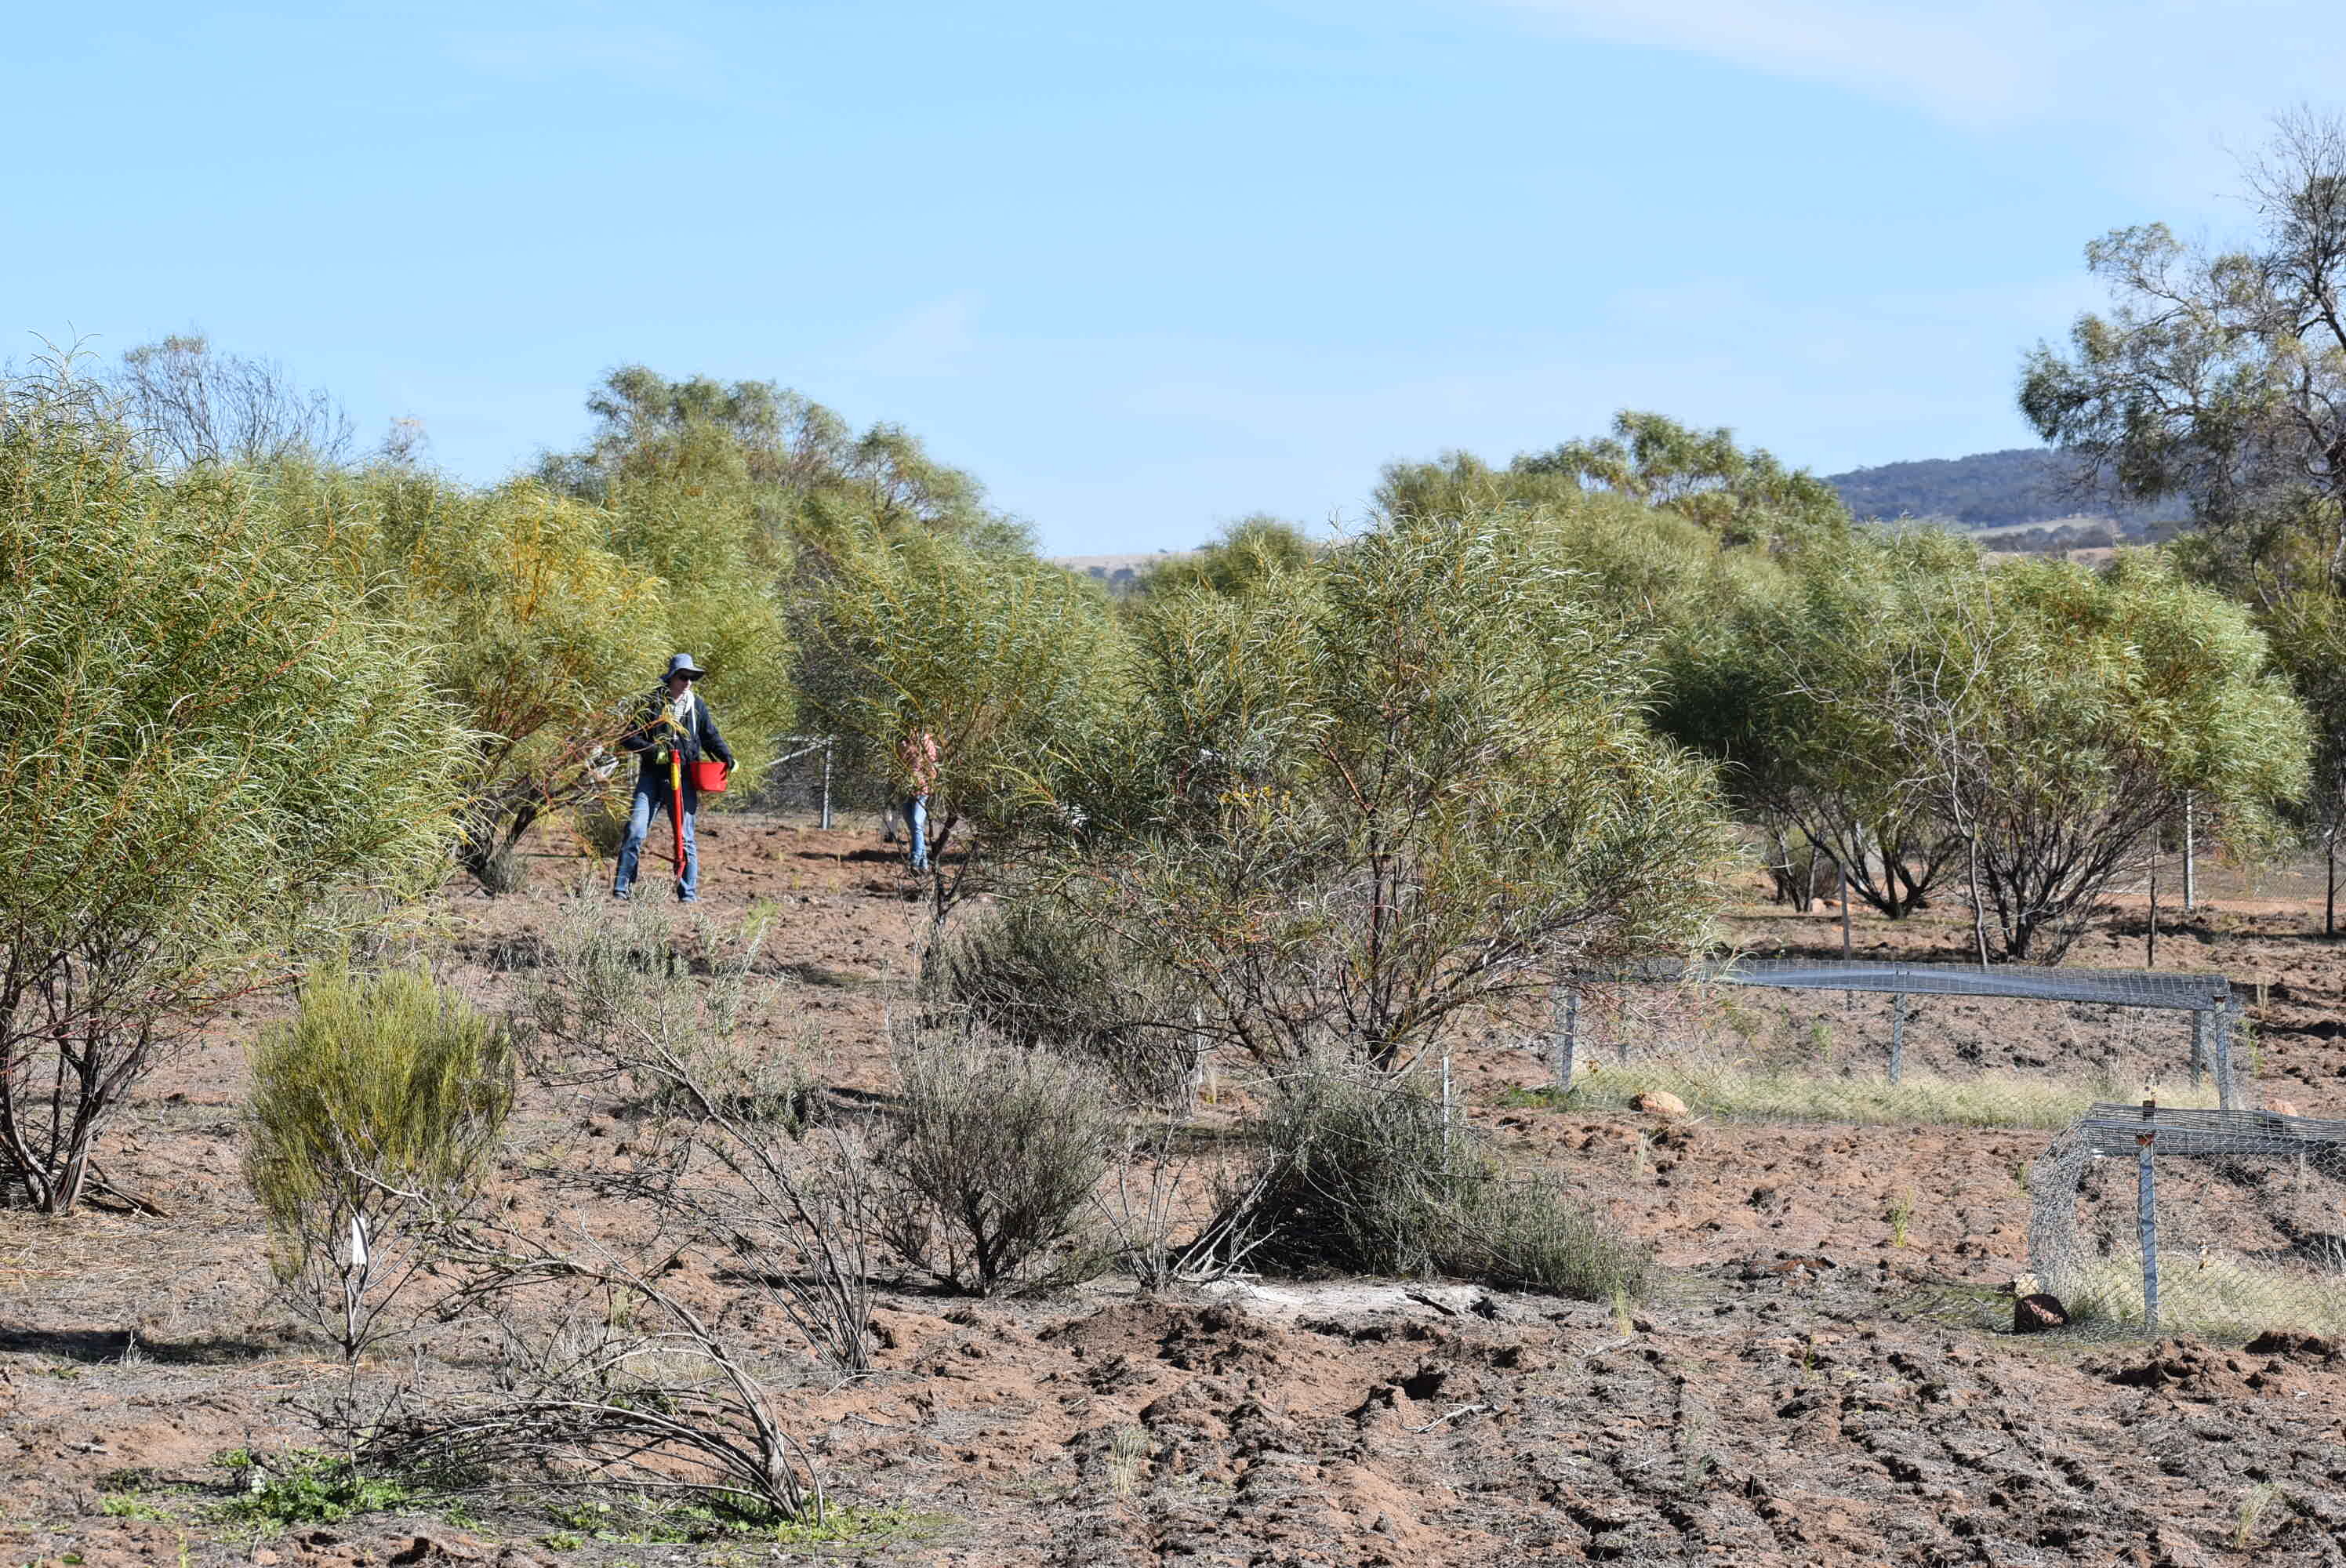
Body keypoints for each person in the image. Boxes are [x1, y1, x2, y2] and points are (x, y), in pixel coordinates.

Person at [613, 654, 735, 902]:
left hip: (685, 778)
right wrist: (654, 752)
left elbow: (710, 735)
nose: (688, 682)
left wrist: (727, 757)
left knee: (686, 837)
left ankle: (687, 894)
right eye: (683, 676)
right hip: (652, 777)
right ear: (671, 677)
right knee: (635, 830)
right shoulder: (650, 703)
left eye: (692, 677)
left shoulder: (696, 705)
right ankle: (622, 888)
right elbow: (628, 736)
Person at [896, 725, 939, 873]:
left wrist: (917, 751)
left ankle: (914, 859)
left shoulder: (927, 743)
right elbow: (900, 764)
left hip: (922, 790)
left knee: (916, 822)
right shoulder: (902, 743)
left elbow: (932, 766)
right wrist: (904, 749)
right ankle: (924, 864)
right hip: (906, 791)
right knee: (914, 826)